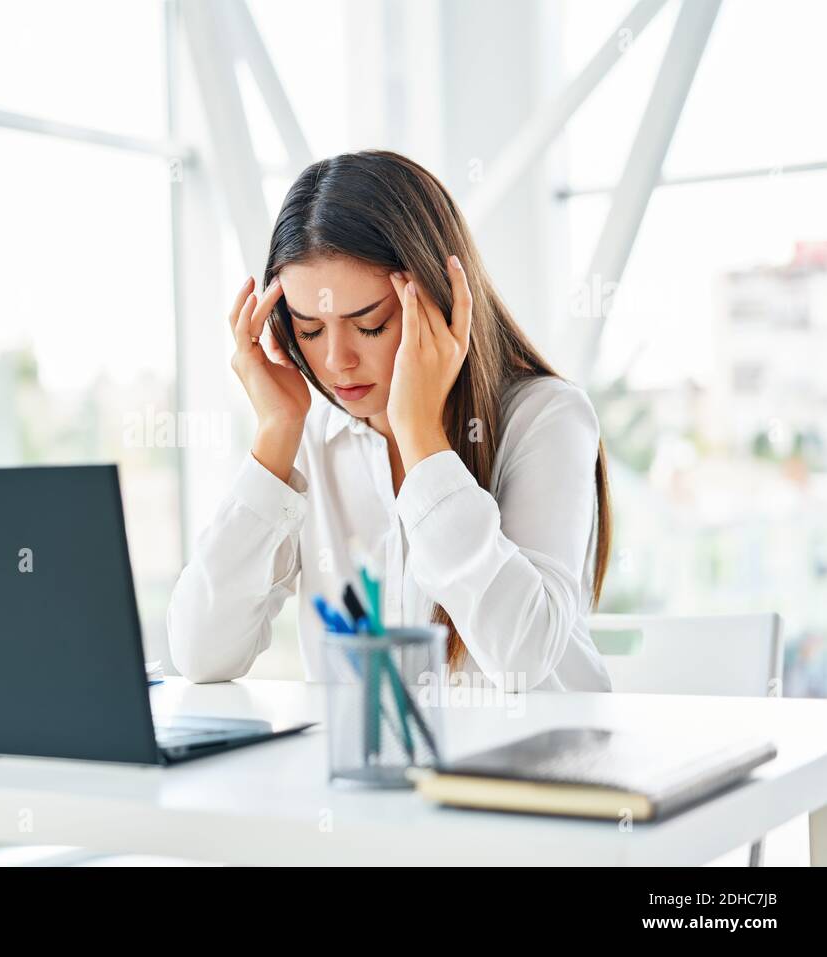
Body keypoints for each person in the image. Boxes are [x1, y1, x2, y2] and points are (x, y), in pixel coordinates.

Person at [167, 150, 613, 693]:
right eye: (309, 330)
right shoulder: (308, 436)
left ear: (445, 301)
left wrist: (421, 436)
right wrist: (275, 434)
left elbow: (523, 653)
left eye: (370, 325)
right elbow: (201, 654)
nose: (336, 362)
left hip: (534, 768)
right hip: (376, 774)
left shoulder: (546, 418)